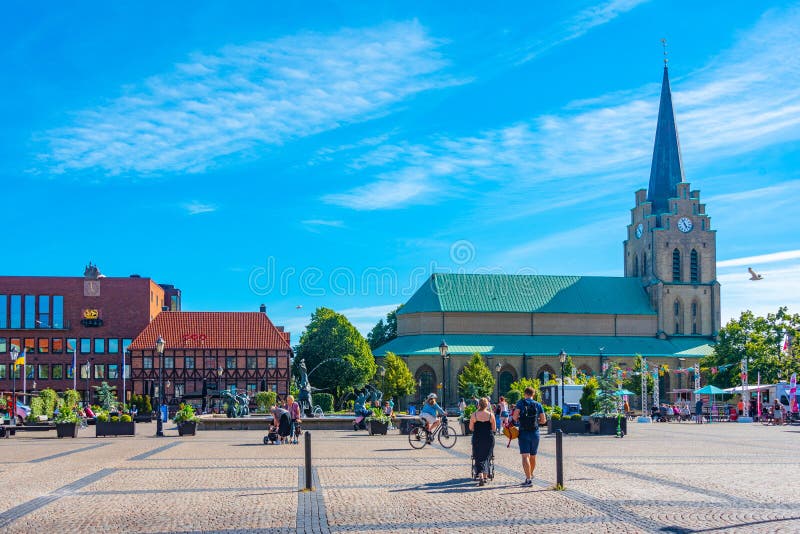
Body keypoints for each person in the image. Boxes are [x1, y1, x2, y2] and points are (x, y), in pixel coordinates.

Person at [512, 386, 546, 486]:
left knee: (525, 456)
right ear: (533, 394)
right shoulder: (538, 405)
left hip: (523, 432)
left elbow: (514, 417)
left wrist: (521, 419)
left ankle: (528, 479)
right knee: (533, 456)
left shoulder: (520, 403)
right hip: (535, 433)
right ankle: (530, 474)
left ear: (525, 394)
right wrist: (536, 421)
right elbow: (543, 420)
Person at [470, 397, 496, 486]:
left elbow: (470, 428)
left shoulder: (474, 415)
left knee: (478, 456)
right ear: (487, 405)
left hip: (477, 437)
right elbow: (494, 428)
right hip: (488, 438)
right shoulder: (490, 415)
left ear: (478, 405)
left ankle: (480, 475)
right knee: (487, 456)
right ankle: (485, 476)